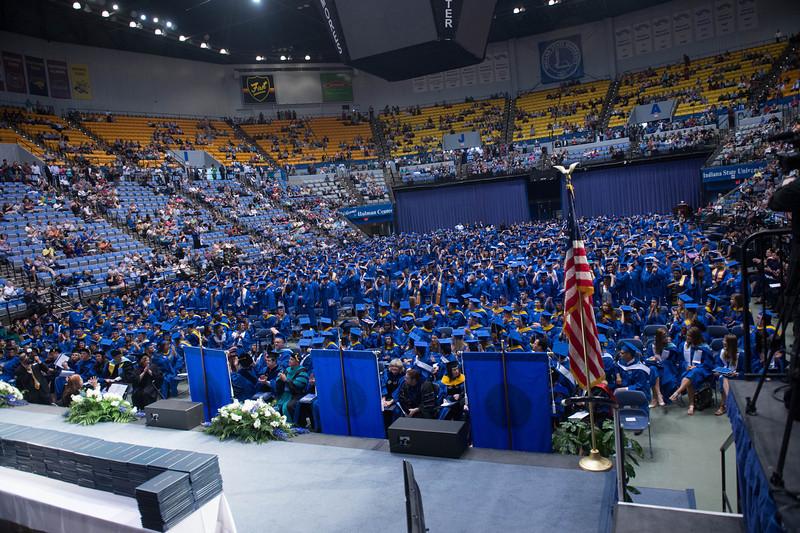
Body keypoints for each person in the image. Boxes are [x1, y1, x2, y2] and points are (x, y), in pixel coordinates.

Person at [669, 327, 715, 415]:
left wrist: (697, 366)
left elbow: (708, 364)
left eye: (690, 336)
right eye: (687, 335)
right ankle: (690, 404)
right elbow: (681, 360)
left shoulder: (704, 347)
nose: (687, 337)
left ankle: (679, 394)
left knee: (693, 373)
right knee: (691, 376)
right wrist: (686, 366)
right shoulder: (684, 345)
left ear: (696, 337)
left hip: (702, 371)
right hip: (688, 370)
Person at [274, 352, 309, 423]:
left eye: (291, 359)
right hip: (285, 394)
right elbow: (279, 381)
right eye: (289, 359)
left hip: (296, 395)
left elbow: (298, 385)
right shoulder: (287, 369)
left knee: (288, 406)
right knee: (277, 405)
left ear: (297, 361)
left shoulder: (302, 371)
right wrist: (280, 378)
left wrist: (286, 380)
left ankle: (292, 424)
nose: (289, 361)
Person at [714, 334, 742, 416]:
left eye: (725, 341)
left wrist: (736, 373)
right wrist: (718, 371)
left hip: (737, 376)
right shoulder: (722, 352)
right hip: (724, 374)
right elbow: (717, 364)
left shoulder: (741, 354)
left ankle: (724, 405)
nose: (723, 342)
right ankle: (727, 405)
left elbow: (744, 370)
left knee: (725, 379)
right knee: (723, 378)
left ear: (731, 343)